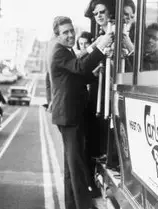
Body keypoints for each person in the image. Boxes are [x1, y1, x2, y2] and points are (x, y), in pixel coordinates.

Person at [48, 16, 113, 209]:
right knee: (77, 166)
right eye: (65, 32)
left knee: (71, 166)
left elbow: (78, 72)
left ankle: (71, 205)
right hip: (70, 115)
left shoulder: (64, 50)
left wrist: (93, 69)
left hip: (69, 114)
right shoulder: (59, 52)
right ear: (57, 35)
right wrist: (101, 48)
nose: (70, 35)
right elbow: (80, 66)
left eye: (71, 31)